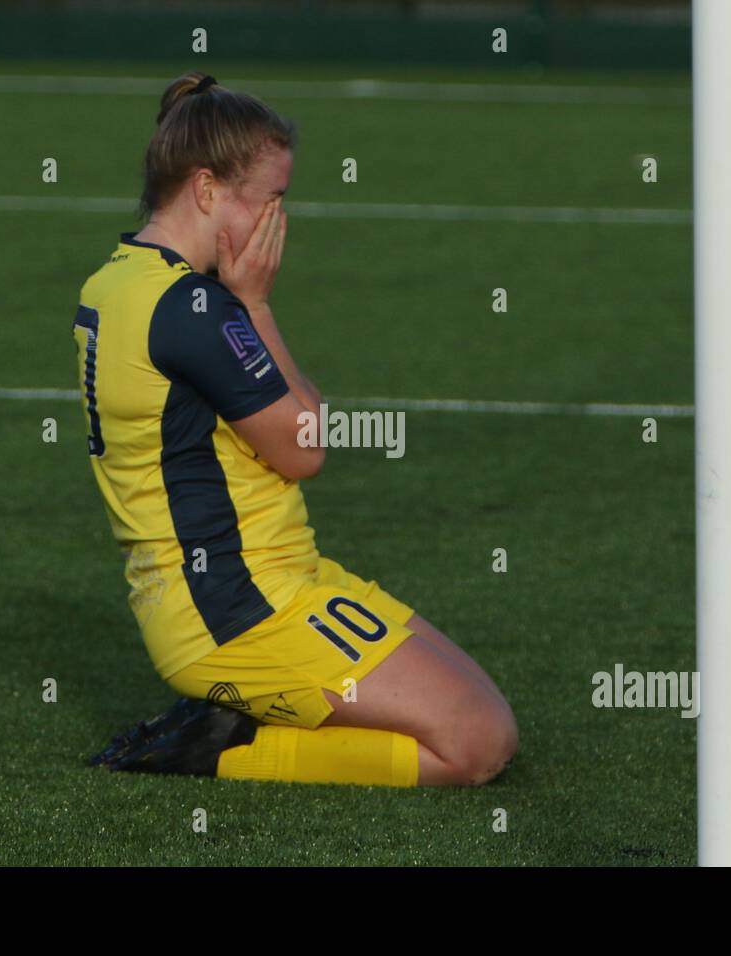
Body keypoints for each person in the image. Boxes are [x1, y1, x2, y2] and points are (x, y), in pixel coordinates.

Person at [75, 72, 517, 786]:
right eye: (272, 199)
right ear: (208, 188)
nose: (279, 221)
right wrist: (256, 306)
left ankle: (238, 719)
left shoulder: (116, 282)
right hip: (241, 610)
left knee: (483, 706)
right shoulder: (195, 309)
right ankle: (221, 749)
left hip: (270, 581)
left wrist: (240, 306)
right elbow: (307, 447)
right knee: (476, 744)